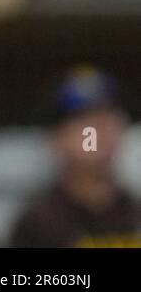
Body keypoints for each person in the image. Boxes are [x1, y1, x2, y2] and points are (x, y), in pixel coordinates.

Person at [9, 67, 140, 248]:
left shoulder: (134, 213)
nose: (102, 130)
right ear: (56, 139)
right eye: (87, 122)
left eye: (110, 117)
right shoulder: (39, 224)